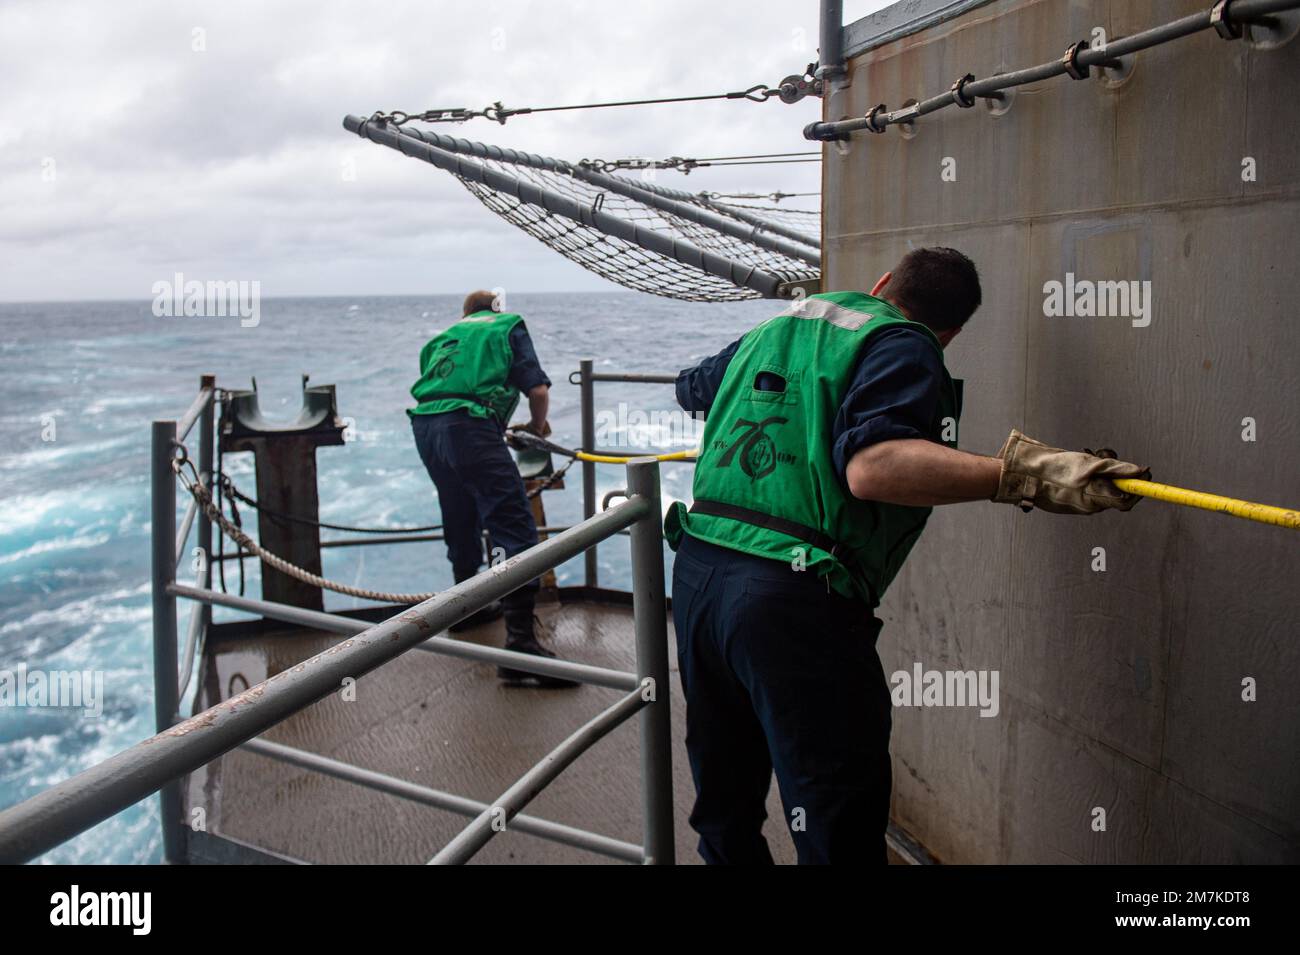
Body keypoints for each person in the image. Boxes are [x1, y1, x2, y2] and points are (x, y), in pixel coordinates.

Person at [665, 247, 1148, 863]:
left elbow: (692, 388)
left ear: (884, 282)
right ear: (951, 333)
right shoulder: (907, 344)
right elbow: (875, 467)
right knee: (835, 812)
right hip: (791, 600)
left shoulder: (780, 323)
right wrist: (1027, 476)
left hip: (701, 573)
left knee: (726, 798)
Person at [409, 290, 577, 688]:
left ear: (465, 313)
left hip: (426, 427)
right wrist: (536, 430)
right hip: (469, 427)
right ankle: (520, 646)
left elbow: (446, 387)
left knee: (460, 513)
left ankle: (464, 611)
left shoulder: (444, 336)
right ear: (494, 309)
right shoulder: (507, 325)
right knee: (512, 524)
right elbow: (537, 390)